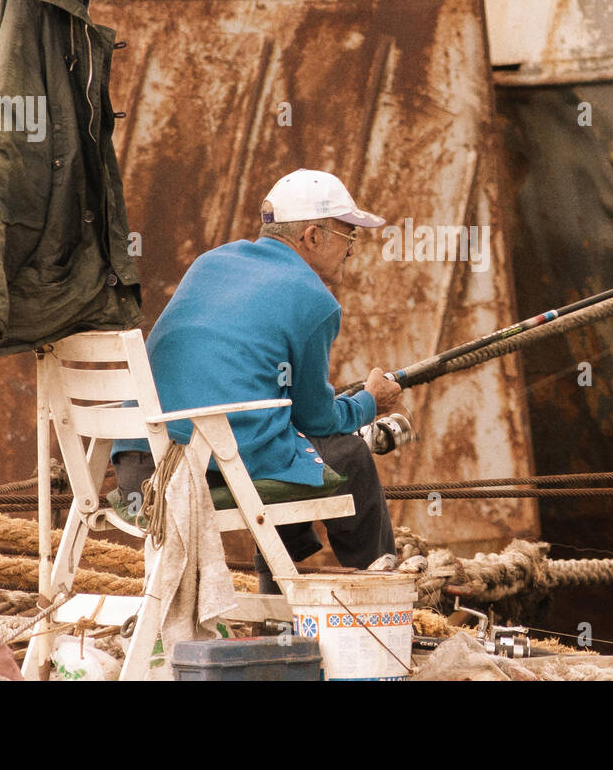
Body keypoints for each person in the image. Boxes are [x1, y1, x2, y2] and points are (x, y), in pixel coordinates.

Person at [110, 169, 403, 590]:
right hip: (191, 470)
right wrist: (370, 402)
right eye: (348, 236)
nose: (352, 250)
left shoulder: (211, 262)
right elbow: (317, 420)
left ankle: (280, 604)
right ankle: (381, 594)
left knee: (278, 441)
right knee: (350, 456)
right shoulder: (315, 300)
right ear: (313, 236)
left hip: (139, 467)